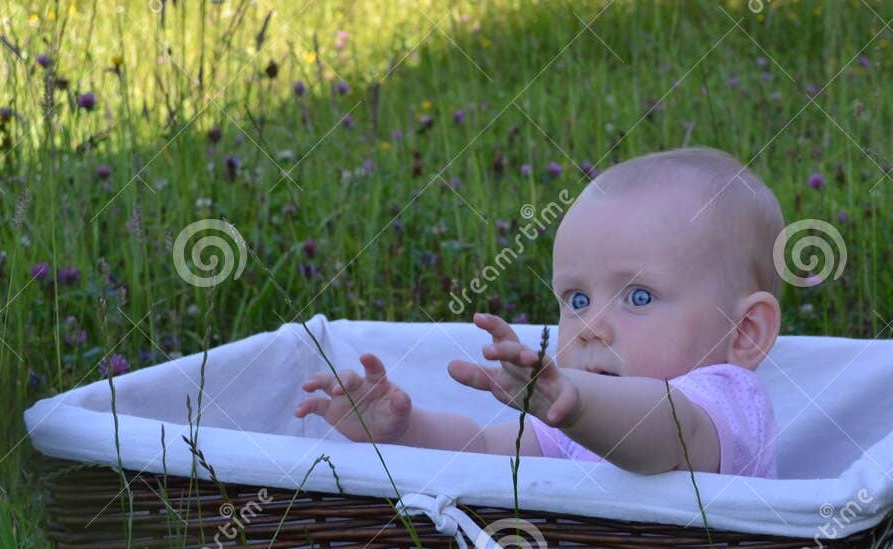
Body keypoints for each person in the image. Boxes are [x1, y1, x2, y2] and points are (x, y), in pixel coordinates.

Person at [294, 146, 783, 477]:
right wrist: (403, 430)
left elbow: (669, 431)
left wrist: (578, 402)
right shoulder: (574, 420)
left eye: (638, 297)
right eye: (576, 299)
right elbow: (484, 451)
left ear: (743, 332)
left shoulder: (723, 403)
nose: (591, 327)